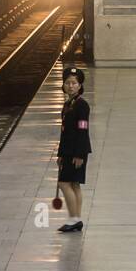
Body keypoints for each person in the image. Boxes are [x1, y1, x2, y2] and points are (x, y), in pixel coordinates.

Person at [56, 67, 91, 232]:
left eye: (74, 83)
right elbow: (64, 132)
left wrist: (79, 154)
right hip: (68, 151)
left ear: (80, 85)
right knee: (75, 184)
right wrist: (60, 154)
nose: (70, 86)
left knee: (64, 183)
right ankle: (76, 218)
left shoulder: (81, 106)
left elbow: (83, 130)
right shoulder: (68, 104)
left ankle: (73, 218)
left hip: (76, 152)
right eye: (67, 83)